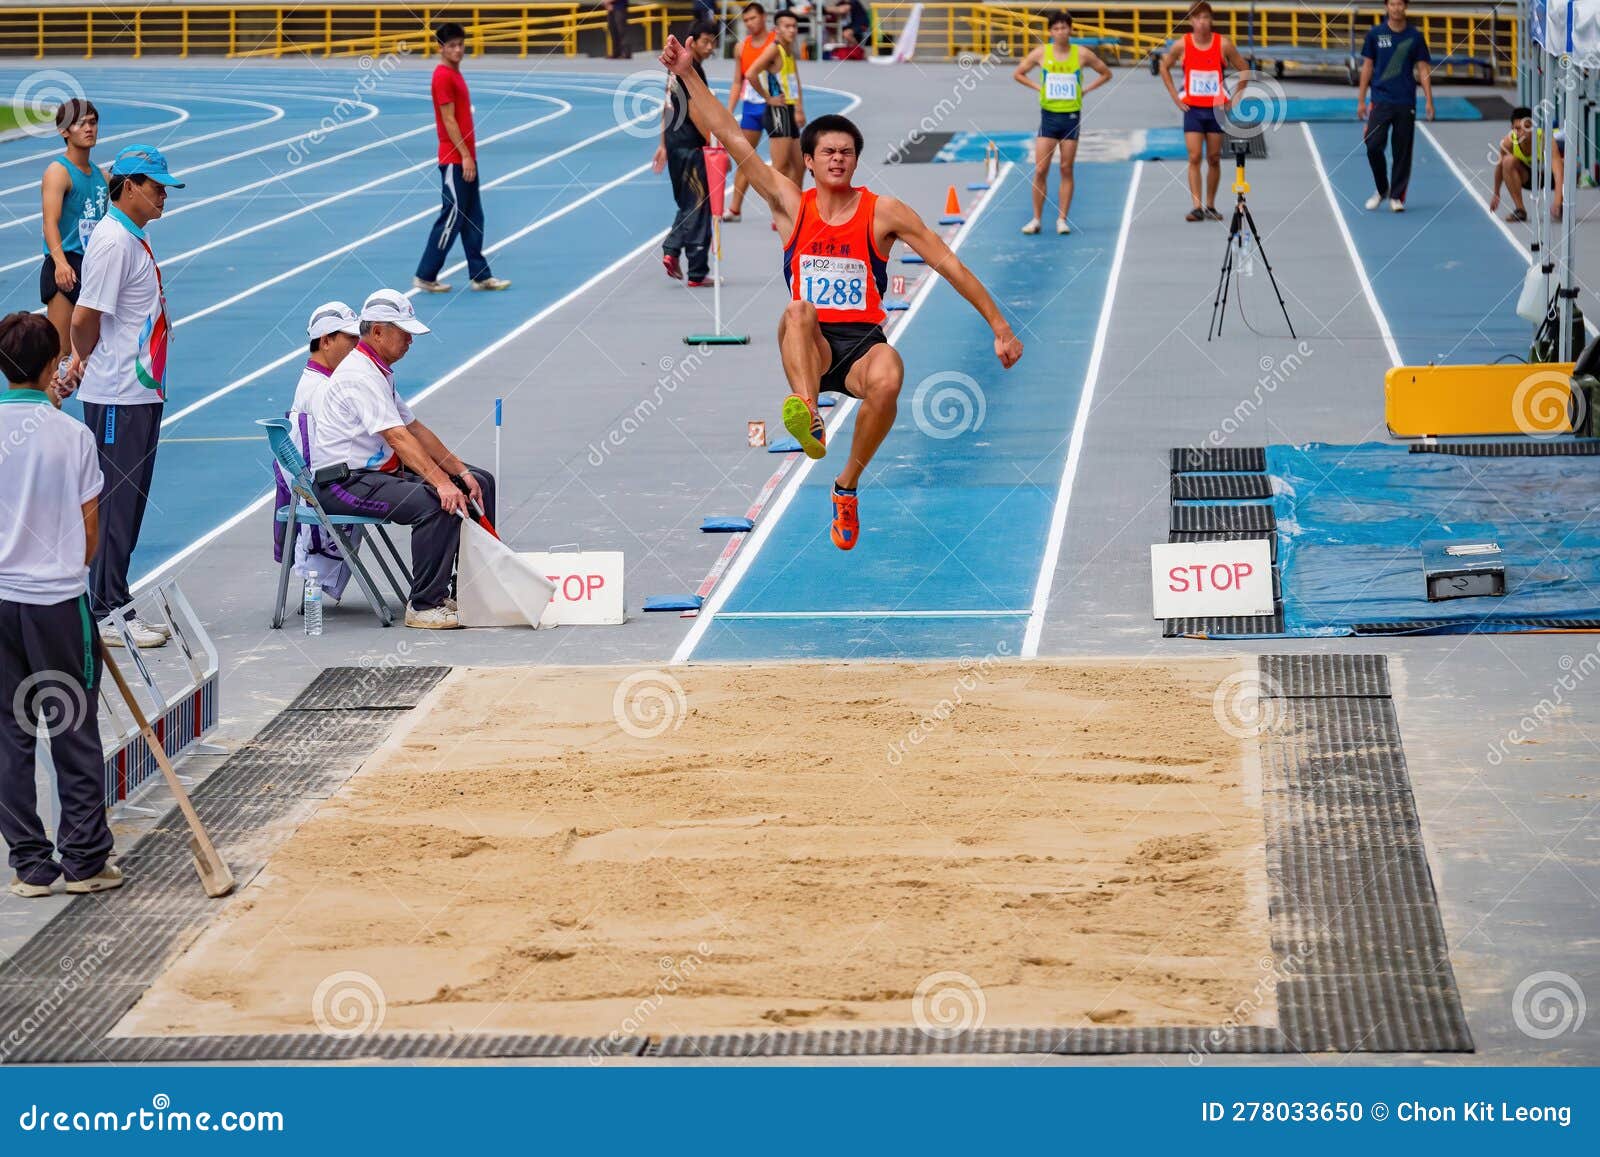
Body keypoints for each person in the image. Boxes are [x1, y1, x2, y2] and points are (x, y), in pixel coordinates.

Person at [660, 34, 1023, 551]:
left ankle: (846, 486)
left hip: (859, 345)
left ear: (856, 160)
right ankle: (808, 412)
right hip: (807, 343)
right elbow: (734, 139)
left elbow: (949, 264)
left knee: (891, 371)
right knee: (799, 309)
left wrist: (1000, 325)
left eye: (846, 152)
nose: (837, 159)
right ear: (807, 161)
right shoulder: (791, 205)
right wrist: (689, 74)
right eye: (827, 152)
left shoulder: (885, 212)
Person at [0, 311, 122, 898]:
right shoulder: (73, 436)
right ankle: (84, 860)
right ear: (53, 366)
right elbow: (91, 536)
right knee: (71, 727)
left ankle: (30, 865)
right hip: (56, 603)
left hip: (1, 603)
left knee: (8, 731)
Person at [309, 290, 497, 630]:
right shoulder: (358, 374)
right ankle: (425, 605)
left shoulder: (379, 370)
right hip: (341, 484)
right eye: (404, 331)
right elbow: (396, 437)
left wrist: (460, 471)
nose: (410, 339)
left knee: (478, 482)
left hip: (374, 475)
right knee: (435, 503)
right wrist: (441, 482)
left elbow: (414, 428)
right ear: (378, 332)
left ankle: (471, 588)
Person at [66, 144, 182, 650]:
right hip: (118, 394)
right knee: (115, 503)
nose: (164, 195)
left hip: (139, 392)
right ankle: (105, 608)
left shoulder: (134, 237)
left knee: (128, 503)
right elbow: (86, 314)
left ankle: (115, 598)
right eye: (156, 186)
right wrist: (79, 360)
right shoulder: (114, 242)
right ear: (129, 185)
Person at [414, 22, 512, 294]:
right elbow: (448, 120)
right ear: (440, 48)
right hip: (454, 158)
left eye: (461, 44)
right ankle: (426, 274)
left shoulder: (455, 73)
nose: (458, 50)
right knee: (452, 217)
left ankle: (480, 275)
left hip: (466, 157)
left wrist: (470, 156)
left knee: (473, 219)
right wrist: (465, 156)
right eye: (452, 45)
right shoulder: (443, 76)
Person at [276, 302, 363, 603]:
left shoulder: (319, 381)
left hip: (323, 485)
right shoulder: (321, 390)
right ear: (325, 341)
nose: (357, 345)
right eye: (350, 339)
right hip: (329, 491)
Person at [1012, 11, 1111, 235]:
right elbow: (1018, 73)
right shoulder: (1041, 53)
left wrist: (1085, 90)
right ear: (1050, 32)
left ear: (1070, 30)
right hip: (1049, 116)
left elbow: (1106, 73)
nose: (1060, 32)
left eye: (1064, 28)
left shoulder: (1082, 54)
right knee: (1040, 169)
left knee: (1066, 168)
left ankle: (1061, 219)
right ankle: (1036, 219)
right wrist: (1039, 87)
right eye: (1055, 29)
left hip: (1071, 117)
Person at [1159, 2, 1250, 222]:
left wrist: (1236, 97)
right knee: (1194, 156)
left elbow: (1244, 68)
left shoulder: (1222, 44)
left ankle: (1211, 205)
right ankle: (1196, 206)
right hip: (1193, 109)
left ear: (1211, 20)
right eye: (1197, 18)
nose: (1202, 22)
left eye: (1206, 18)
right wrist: (1175, 96)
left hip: (1216, 110)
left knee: (1214, 158)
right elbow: (1164, 66)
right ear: (1191, 21)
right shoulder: (1182, 44)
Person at [40, 98, 108, 359]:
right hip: (67, 266)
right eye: (82, 124)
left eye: (93, 122)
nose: (89, 128)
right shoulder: (58, 172)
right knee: (61, 355)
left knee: (94, 354)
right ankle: (50, 402)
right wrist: (60, 263)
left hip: (95, 267)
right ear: (64, 131)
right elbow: (50, 222)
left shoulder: (101, 176)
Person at [654, 21, 720, 286]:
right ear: (692, 40)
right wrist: (712, 145)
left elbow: (666, 106)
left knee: (689, 202)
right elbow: (695, 110)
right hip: (690, 145)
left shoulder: (674, 69)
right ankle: (694, 269)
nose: (710, 46)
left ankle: (673, 252)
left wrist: (662, 143)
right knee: (699, 205)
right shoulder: (692, 69)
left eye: (713, 40)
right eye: (705, 41)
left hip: (674, 142)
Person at [1357, 0, 1433, 213]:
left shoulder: (1415, 37)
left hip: (1405, 101)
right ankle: (1382, 189)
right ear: (1386, 7)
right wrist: (1362, 100)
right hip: (1380, 100)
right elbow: (1367, 67)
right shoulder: (1375, 34)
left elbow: (1423, 69)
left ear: (1405, 6)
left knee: (1402, 151)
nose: (1396, 8)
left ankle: (1397, 196)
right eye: (1392, 4)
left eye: (1400, 4)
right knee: (1373, 145)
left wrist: (1429, 100)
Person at [723, 3, 777, 222]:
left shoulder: (776, 41)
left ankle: (781, 211)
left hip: (774, 105)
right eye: (746, 20)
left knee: (780, 162)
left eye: (753, 18)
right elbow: (738, 81)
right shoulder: (741, 47)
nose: (750, 23)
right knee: (745, 158)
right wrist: (728, 111)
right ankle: (735, 209)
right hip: (751, 107)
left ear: (763, 17)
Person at [747, 8, 808, 192]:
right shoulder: (774, 49)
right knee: (780, 168)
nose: (792, 30)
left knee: (800, 165)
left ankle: (794, 208)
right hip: (777, 112)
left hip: (789, 109)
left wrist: (799, 108)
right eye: (787, 26)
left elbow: (794, 79)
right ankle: (779, 213)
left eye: (794, 26)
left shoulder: (788, 48)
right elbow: (751, 73)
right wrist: (768, 98)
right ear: (777, 29)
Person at [1491, 107, 1565, 224]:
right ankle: (1520, 210)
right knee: (1507, 161)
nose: (1521, 133)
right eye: (1517, 129)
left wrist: (1557, 200)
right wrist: (1496, 192)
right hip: (1528, 178)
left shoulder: (1545, 140)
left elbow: (1558, 172)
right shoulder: (1508, 143)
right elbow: (1499, 168)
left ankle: (1561, 204)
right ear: (1512, 129)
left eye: (1526, 127)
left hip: (1548, 178)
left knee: (1565, 164)